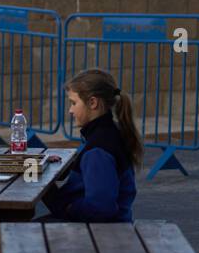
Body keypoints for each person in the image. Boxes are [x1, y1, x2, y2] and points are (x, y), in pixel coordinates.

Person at [43, 68, 142, 222]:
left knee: (15, 235)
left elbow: (101, 208)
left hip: (99, 232)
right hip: (106, 225)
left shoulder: (98, 150)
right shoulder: (110, 132)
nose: (70, 110)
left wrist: (67, 207)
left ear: (93, 102)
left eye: (73, 103)